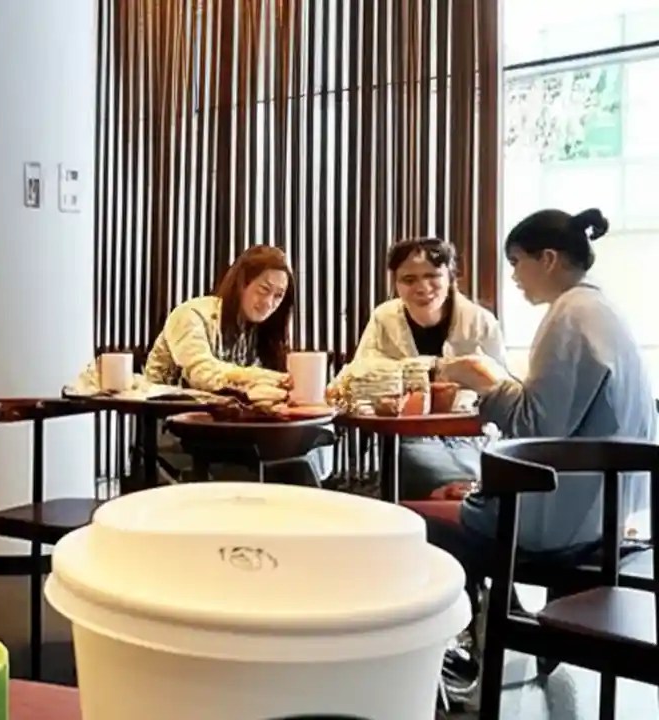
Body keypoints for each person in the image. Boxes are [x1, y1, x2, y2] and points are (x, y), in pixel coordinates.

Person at [411, 206, 655, 600]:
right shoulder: (602, 310)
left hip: (564, 523)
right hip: (609, 513)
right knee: (456, 489)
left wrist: (485, 384)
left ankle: (471, 636)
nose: (513, 276)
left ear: (547, 259)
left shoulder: (569, 315)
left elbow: (536, 431)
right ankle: (496, 621)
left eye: (516, 262)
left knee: (408, 519)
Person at [333, 237, 506, 499]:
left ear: (450, 276)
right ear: (395, 282)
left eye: (432, 275)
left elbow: (501, 387)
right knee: (419, 469)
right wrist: (429, 370)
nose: (422, 287)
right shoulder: (385, 318)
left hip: (470, 433)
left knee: (477, 478)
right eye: (409, 279)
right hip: (407, 434)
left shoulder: (480, 321)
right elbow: (356, 376)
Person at [144, 245, 330, 484]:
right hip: (174, 432)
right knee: (258, 471)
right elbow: (203, 374)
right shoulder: (192, 315)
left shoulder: (259, 333)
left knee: (297, 463)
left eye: (278, 296)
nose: (268, 303)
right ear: (242, 283)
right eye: (263, 290)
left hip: (232, 432)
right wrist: (258, 378)